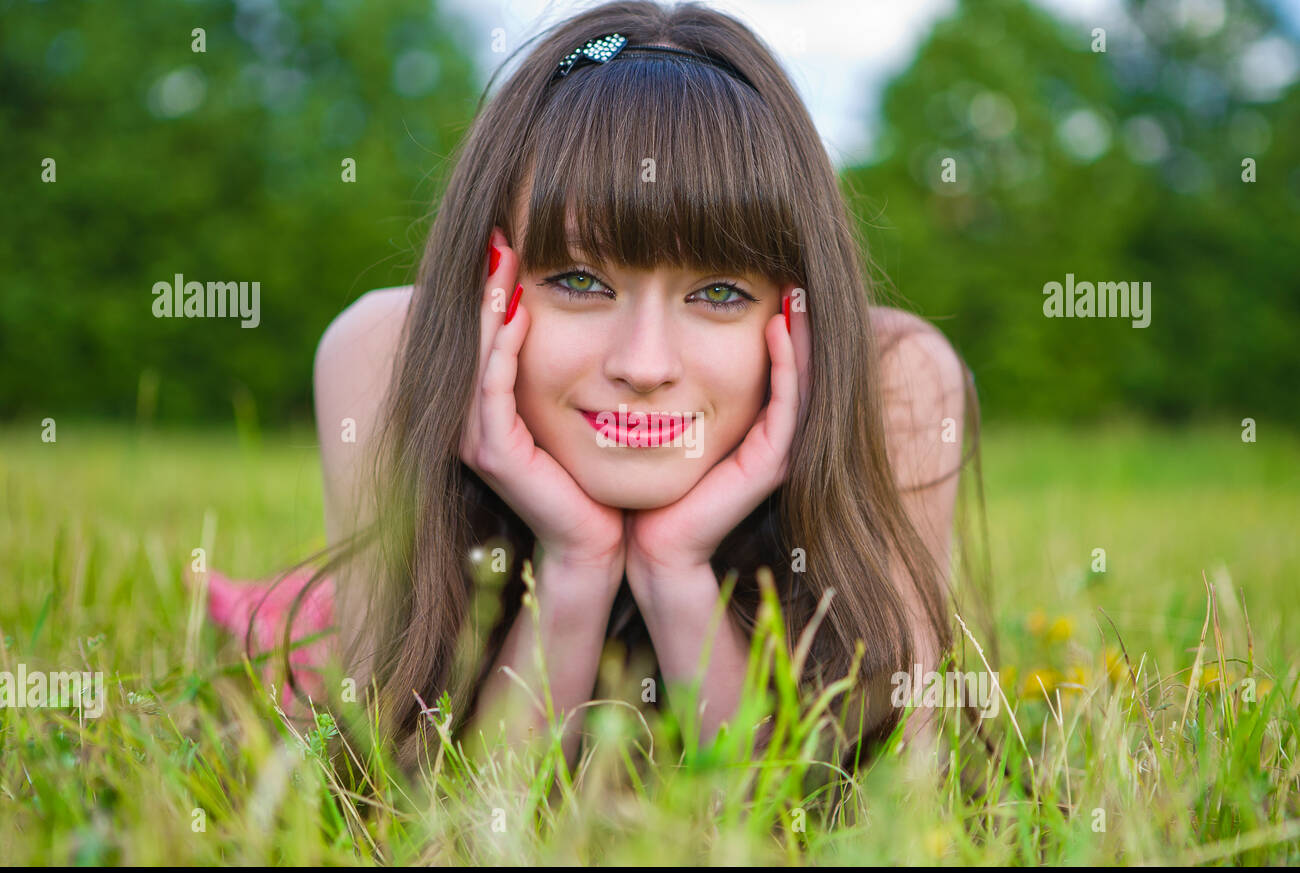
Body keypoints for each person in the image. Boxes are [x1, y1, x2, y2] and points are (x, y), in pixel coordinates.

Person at [211, 0, 986, 777]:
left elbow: (887, 805)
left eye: (718, 293)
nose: (644, 365)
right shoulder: (383, 351)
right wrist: (576, 563)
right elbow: (423, 813)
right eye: (580, 280)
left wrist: (673, 568)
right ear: (491, 284)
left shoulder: (898, 384)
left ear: (799, 306)